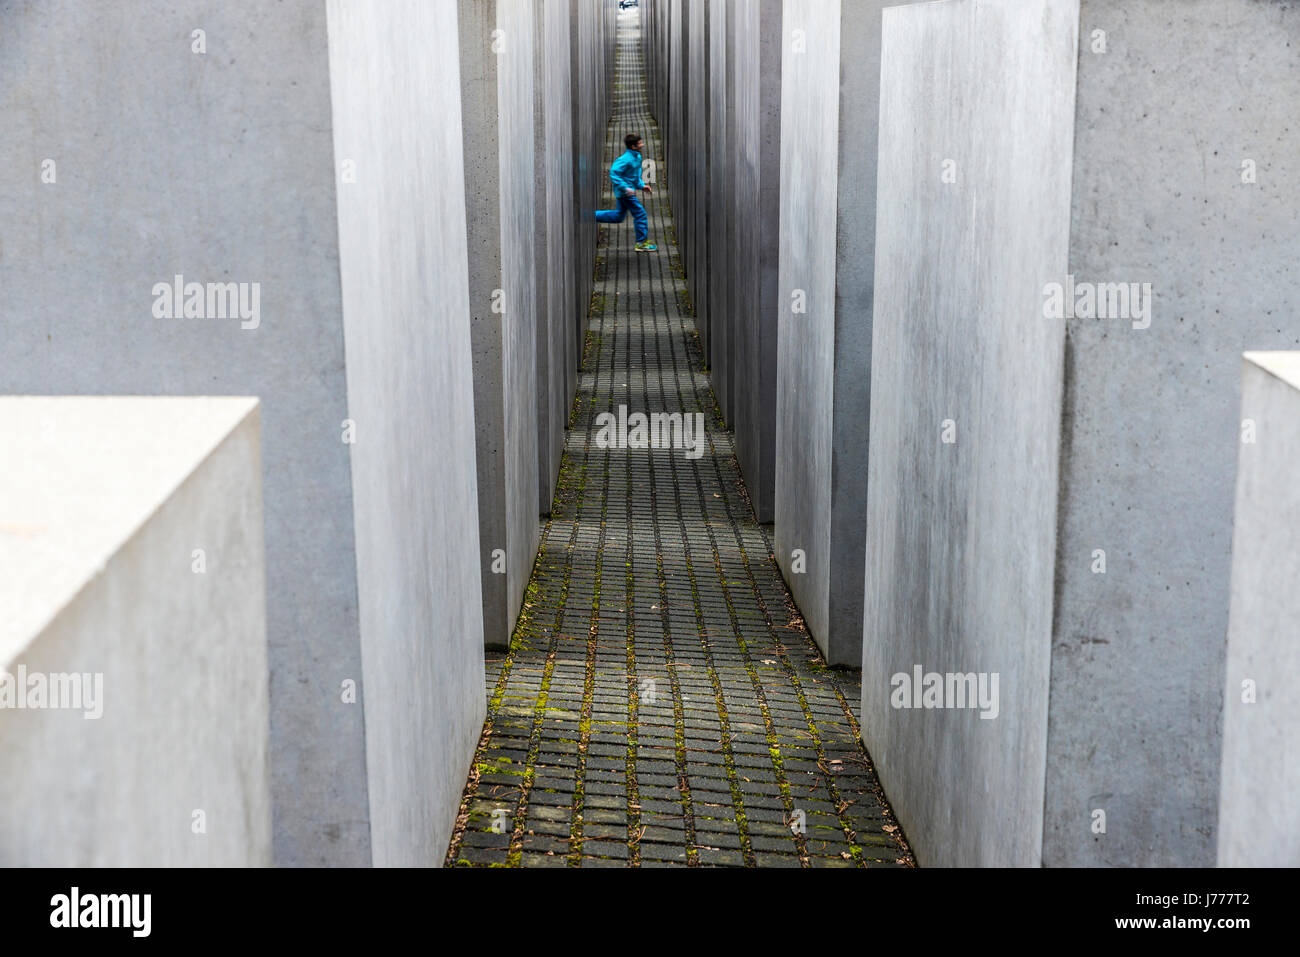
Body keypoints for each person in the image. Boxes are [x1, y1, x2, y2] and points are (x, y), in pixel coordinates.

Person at [595, 133, 657, 252]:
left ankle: (590, 216)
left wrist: (642, 186)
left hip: (628, 192)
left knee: (619, 216)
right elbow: (614, 172)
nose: (642, 145)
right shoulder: (626, 159)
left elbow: (634, 176)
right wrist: (626, 188)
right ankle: (641, 243)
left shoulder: (637, 157)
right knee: (640, 214)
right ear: (633, 147)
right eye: (639, 143)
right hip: (626, 193)